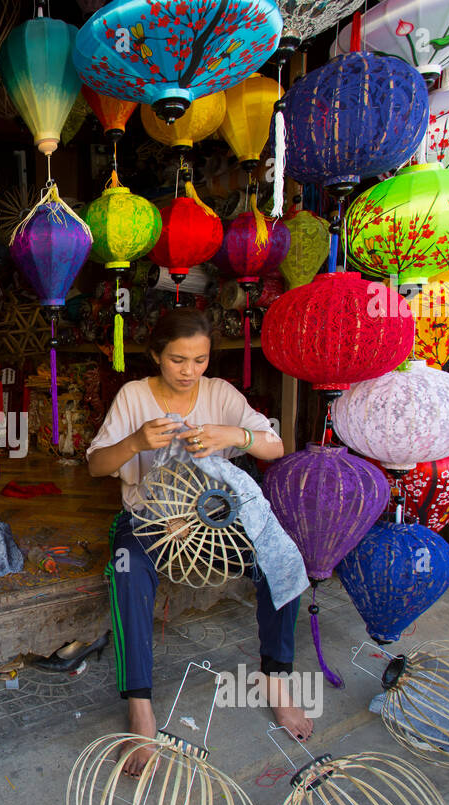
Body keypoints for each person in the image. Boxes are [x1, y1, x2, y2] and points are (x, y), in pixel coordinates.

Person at [86, 308, 308, 773]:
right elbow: (96, 466)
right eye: (177, 360)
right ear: (155, 356)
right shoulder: (133, 396)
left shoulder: (221, 394)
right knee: (127, 569)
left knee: (279, 555)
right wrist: (135, 442)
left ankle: (275, 678)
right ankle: (140, 703)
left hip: (215, 521)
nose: (190, 372)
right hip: (152, 520)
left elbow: (275, 447)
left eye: (200, 360)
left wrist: (236, 434)